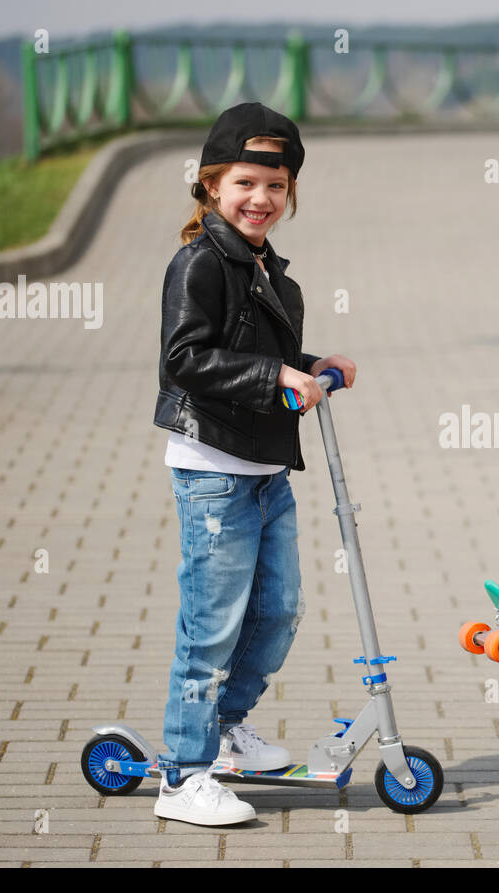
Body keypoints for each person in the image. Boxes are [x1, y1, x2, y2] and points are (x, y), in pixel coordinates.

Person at [151, 102, 356, 826]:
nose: (260, 198)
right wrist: (276, 377)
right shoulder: (199, 263)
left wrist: (313, 364)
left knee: (277, 610)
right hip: (213, 470)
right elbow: (185, 357)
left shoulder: (271, 271)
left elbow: (257, 353)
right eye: (244, 182)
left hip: (264, 473)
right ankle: (183, 775)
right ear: (211, 185)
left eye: (275, 185)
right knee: (211, 626)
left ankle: (228, 726)